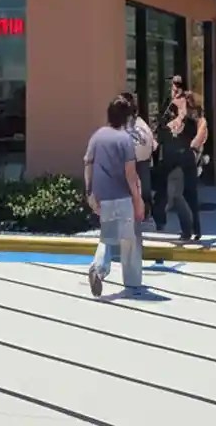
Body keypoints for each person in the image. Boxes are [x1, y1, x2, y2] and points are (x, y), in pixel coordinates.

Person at [84, 97, 145, 297]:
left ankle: (98, 268)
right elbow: (130, 174)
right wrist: (138, 200)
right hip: (123, 196)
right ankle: (132, 281)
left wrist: (90, 192)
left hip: (103, 196)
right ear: (127, 118)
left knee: (108, 237)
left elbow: (88, 164)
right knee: (130, 239)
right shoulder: (125, 140)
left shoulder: (97, 136)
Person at [153, 79, 207, 241]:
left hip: (185, 156)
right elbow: (160, 130)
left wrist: (195, 147)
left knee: (187, 193)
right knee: (165, 191)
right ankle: (162, 221)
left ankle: (193, 229)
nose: (174, 94)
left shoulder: (193, 114)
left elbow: (201, 129)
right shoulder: (168, 110)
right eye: (173, 90)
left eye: (177, 91)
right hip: (169, 156)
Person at [119, 91, 157, 221]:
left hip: (135, 161)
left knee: (135, 191)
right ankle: (145, 214)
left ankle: (142, 214)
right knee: (142, 191)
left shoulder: (129, 122)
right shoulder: (139, 122)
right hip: (142, 160)